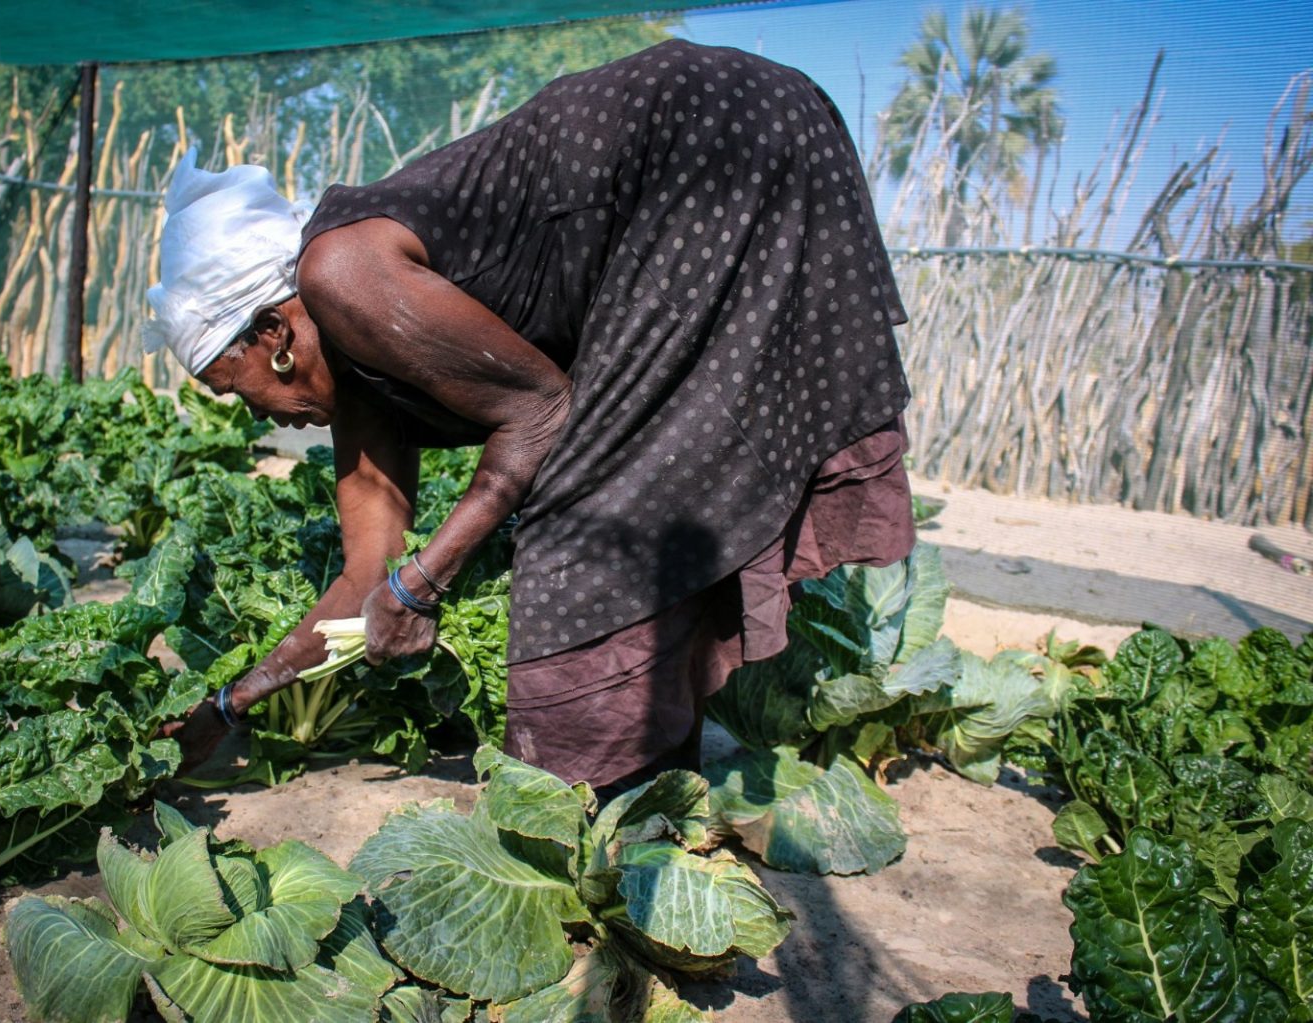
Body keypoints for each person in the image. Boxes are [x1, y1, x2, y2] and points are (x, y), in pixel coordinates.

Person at [149, 39, 916, 792]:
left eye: (237, 388)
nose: (257, 413)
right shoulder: (360, 385)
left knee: (577, 531)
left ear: (274, 336)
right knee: (643, 501)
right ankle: (654, 790)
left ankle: (616, 801)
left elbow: (541, 409)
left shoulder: (339, 272)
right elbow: (362, 581)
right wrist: (233, 701)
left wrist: (425, 582)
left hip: (705, 145)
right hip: (754, 129)